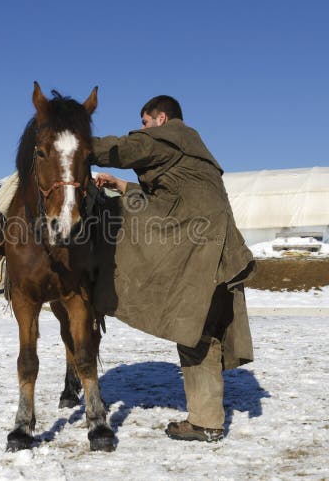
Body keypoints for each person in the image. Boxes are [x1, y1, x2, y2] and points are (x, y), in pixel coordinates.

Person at [90, 95, 255, 442]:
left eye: (145, 122)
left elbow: (122, 149)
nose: (142, 129)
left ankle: (207, 421)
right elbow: (171, 198)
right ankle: (207, 421)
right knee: (201, 333)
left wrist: (70, 141)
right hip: (221, 247)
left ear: (161, 118)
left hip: (198, 246)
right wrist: (121, 185)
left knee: (194, 331)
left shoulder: (169, 136)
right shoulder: (192, 149)